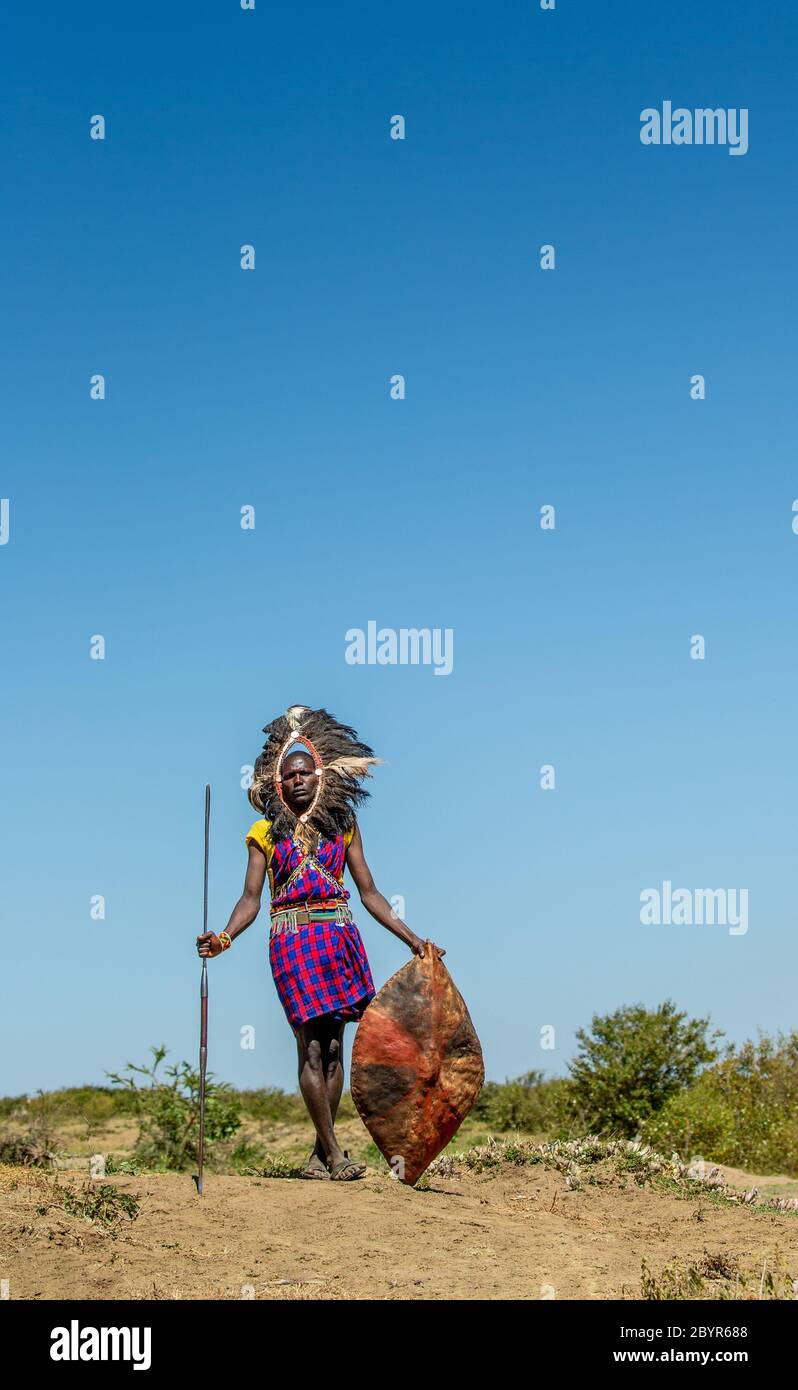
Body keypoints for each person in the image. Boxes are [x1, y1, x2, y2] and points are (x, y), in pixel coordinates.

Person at [196, 705, 445, 1181]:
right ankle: (334, 1155)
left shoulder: (344, 824)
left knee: (334, 1050)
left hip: (339, 937)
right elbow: (250, 898)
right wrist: (224, 937)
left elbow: (369, 890)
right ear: (276, 782)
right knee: (310, 1049)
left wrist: (413, 940)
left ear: (321, 774)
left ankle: (318, 1151)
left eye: (305, 772)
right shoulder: (264, 834)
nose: (297, 782)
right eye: (288, 776)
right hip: (292, 941)